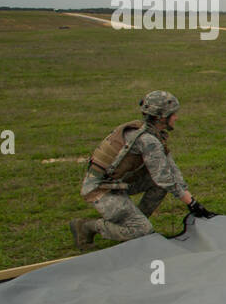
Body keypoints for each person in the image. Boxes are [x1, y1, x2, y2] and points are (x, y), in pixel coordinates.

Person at [69, 90, 215, 248]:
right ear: (161, 117)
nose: (176, 117)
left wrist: (192, 201)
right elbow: (164, 178)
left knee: (158, 189)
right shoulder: (147, 141)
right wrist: (190, 203)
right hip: (101, 190)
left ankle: (135, 221)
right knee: (143, 232)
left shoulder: (153, 134)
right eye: (173, 114)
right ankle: (86, 227)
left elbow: (171, 170)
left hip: (118, 183)